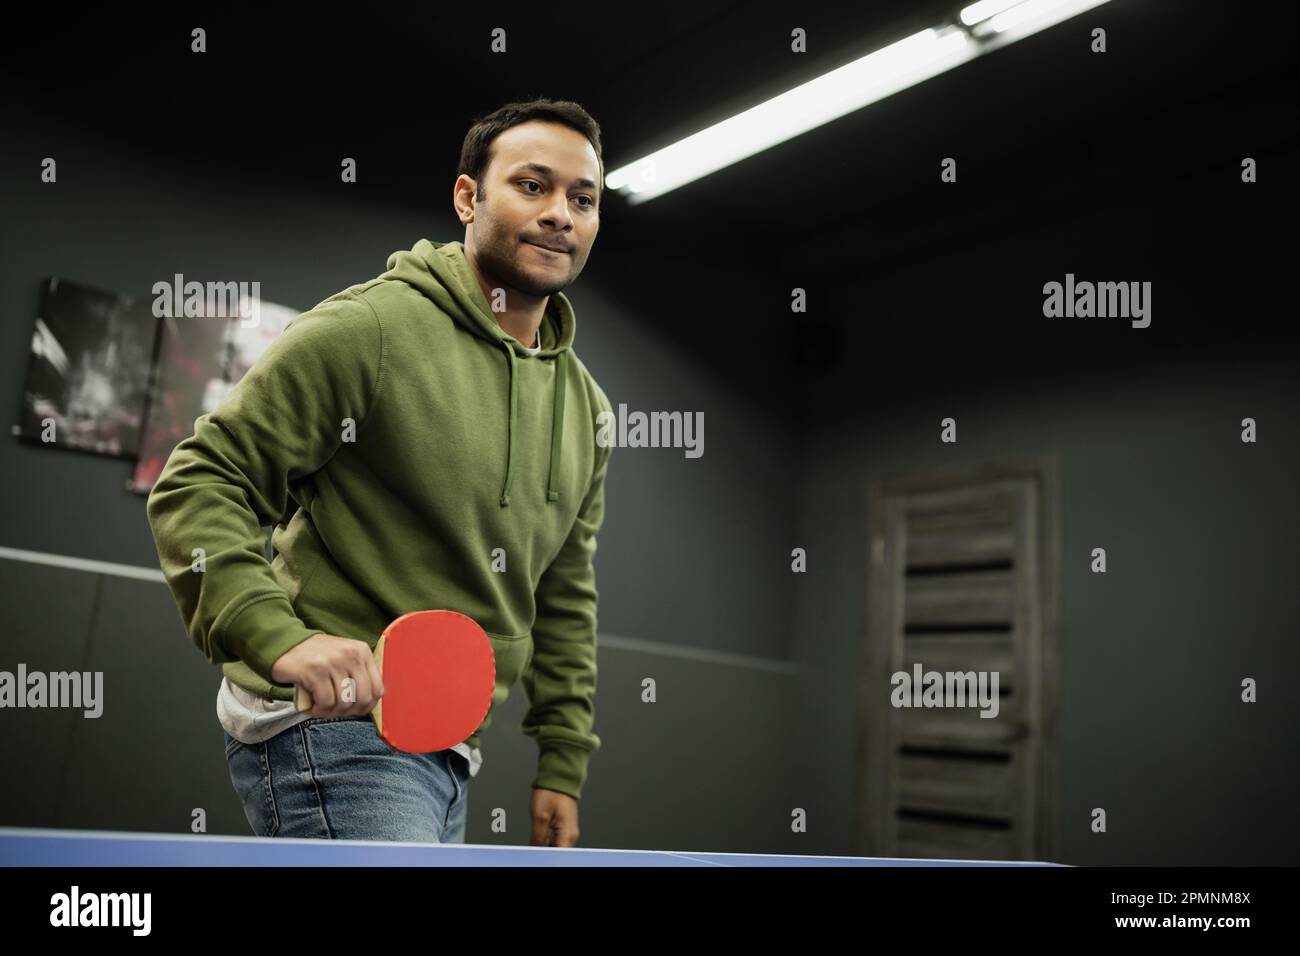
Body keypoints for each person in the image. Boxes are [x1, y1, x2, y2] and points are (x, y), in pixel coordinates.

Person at [146, 97, 612, 847]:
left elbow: (562, 591)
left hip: (449, 747)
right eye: (532, 186)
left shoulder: (587, 410)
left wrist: (562, 761)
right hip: (331, 729)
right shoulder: (369, 330)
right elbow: (202, 479)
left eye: (582, 198)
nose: (560, 212)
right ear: (468, 197)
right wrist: (277, 635)